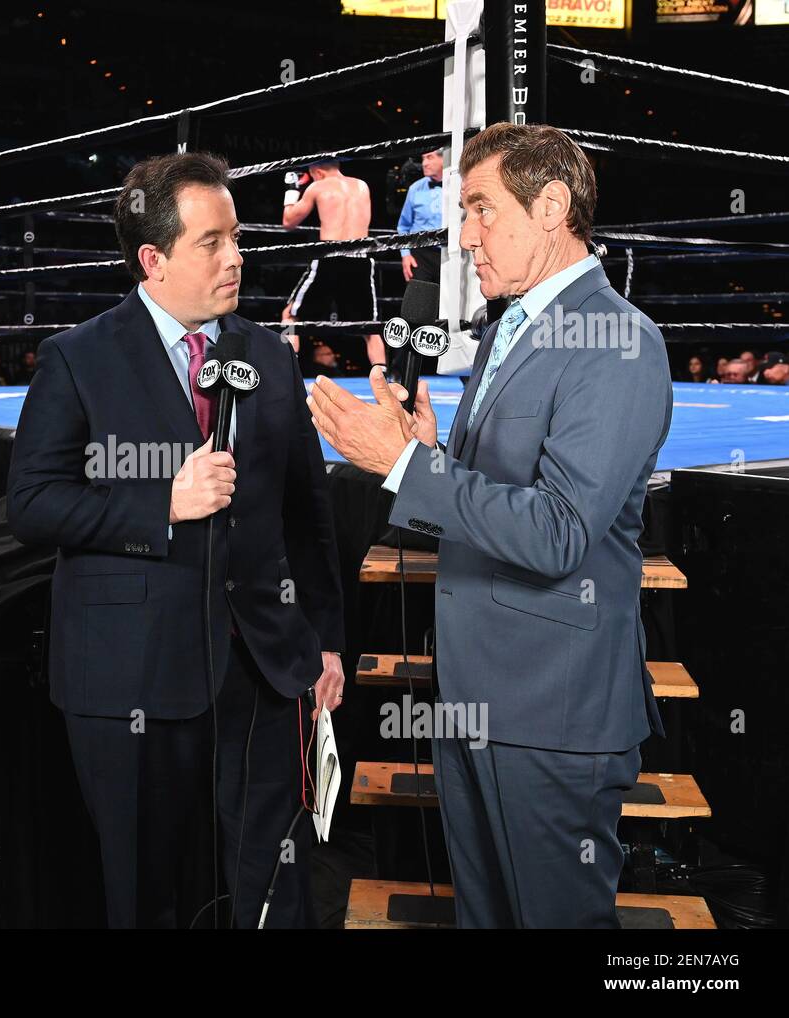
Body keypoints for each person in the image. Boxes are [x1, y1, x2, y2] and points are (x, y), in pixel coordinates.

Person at [309, 122, 672, 928]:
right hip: (477, 701)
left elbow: (555, 533)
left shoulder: (617, 342)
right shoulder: (514, 324)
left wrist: (406, 467)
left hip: (551, 720)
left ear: (551, 207)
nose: (464, 235)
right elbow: (484, 506)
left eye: (479, 209)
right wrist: (428, 454)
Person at [7, 151, 345, 929]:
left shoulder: (266, 356)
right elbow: (32, 503)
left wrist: (324, 639)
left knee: (272, 885)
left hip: (263, 669)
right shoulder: (77, 357)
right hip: (130, 673)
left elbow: (307, 512)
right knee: (145, 890)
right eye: (213, 242)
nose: (236, 257)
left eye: (236, 237)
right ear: (153, 260)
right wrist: (163, 502)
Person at [280, 159, 386, 375]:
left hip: (330, 258)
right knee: (370, 327)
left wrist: (292, 190)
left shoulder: (318, 186)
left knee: (290, 315)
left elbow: (288, 221)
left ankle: (286, 368)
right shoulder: (362, 185)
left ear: (317, 171)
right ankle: (383, 375)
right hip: (360, 258)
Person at [398, 147, 445, 284]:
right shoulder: (415, 189)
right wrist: (405, 255)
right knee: (419, 301)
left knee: (450, 303)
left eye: (430, 157)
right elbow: (403, 226)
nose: (424, 163)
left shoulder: (460, 185)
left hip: (451, 254)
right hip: (420, 254)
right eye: (423, 159)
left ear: (444, 158)